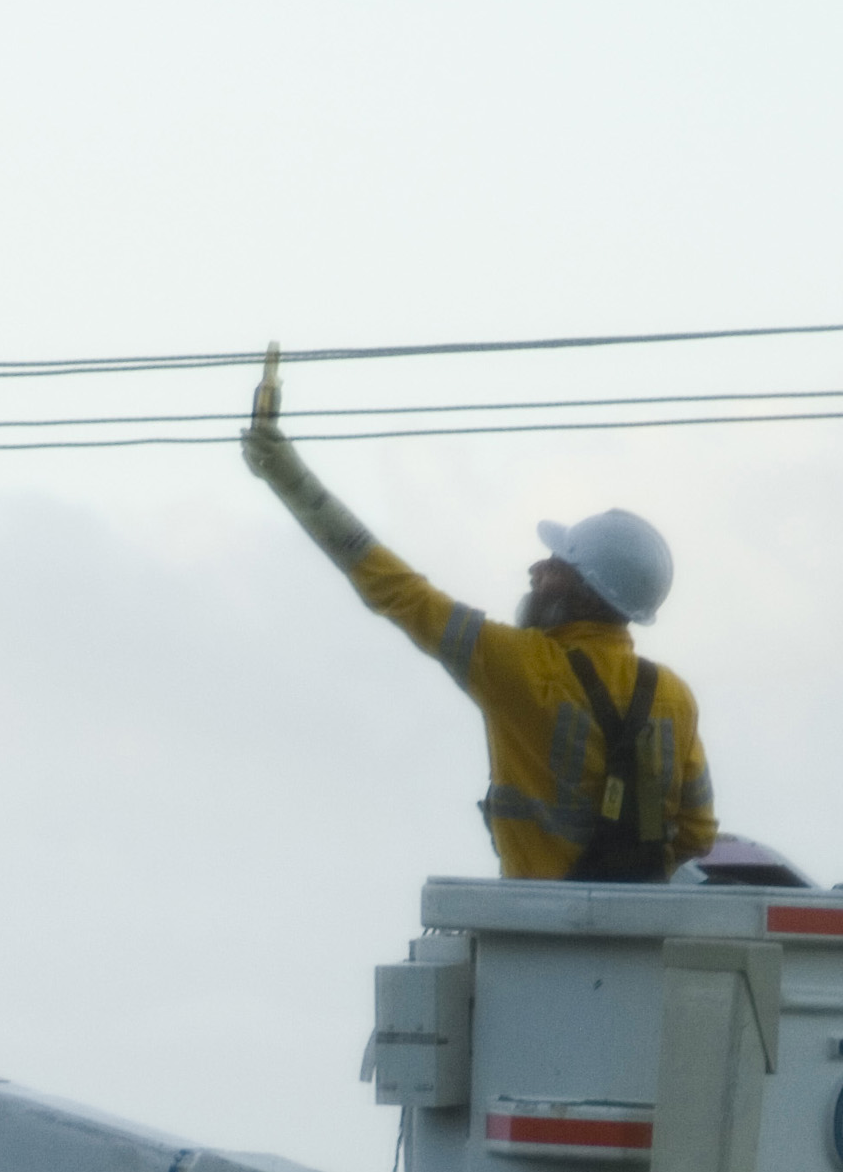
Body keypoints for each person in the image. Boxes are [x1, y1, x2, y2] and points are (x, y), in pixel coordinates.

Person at [241, 351, 716, 881]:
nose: (536, 570)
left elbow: (397, 591)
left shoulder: (517, 664)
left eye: (556, 567)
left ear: (587, 594)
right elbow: (697, 834)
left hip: (536, 918)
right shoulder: (674, 696)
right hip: (641, 924)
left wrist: (290, 481)